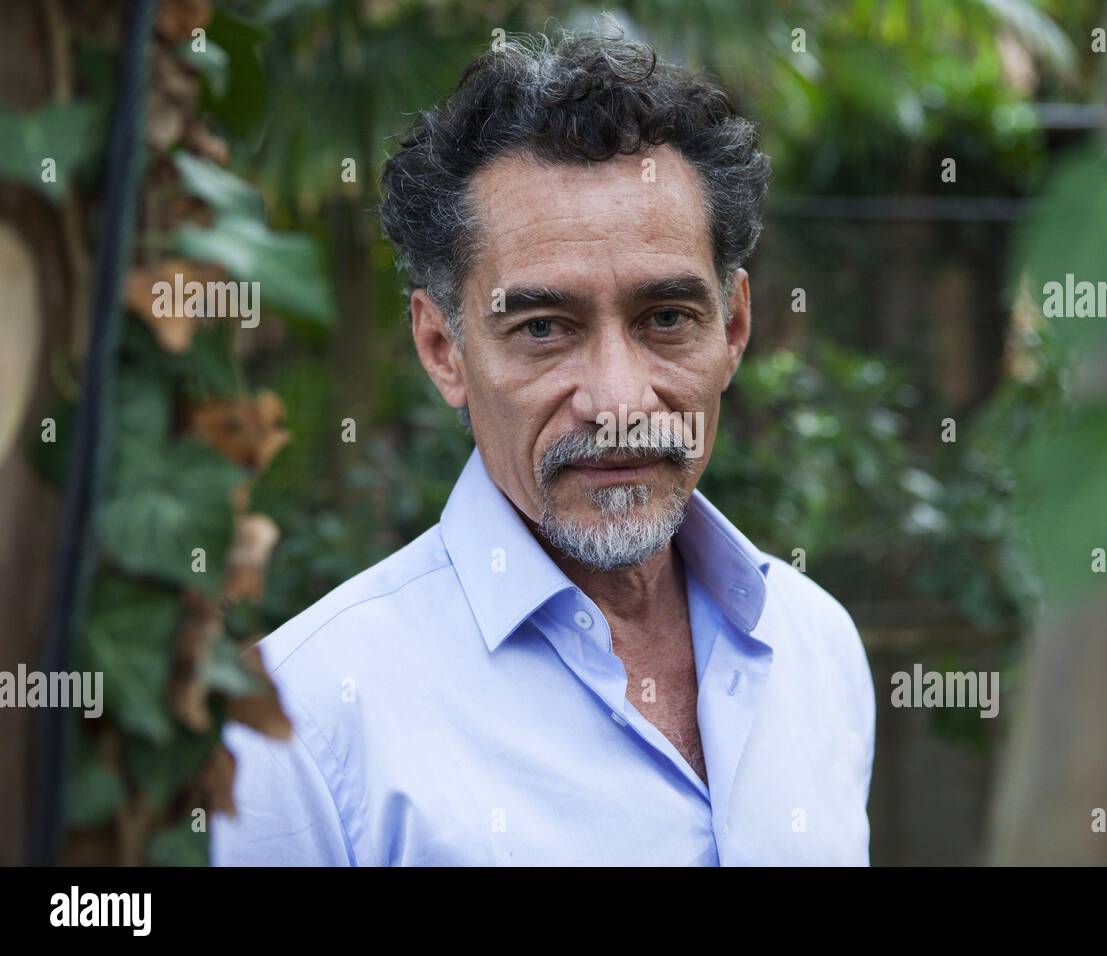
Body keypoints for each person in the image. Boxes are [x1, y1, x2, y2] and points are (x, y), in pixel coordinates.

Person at [212, 28, 875, 866]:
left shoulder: (816, 646)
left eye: (666, 318)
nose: (618, 402)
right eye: (542, 328)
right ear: (443, 349)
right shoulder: (301, 725)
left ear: (733, 327)